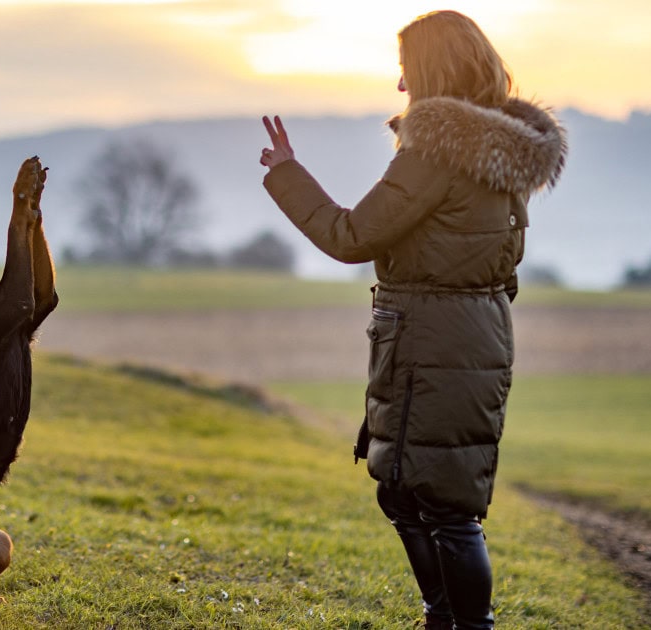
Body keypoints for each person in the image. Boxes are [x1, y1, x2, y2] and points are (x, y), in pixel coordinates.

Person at [258, 10, 566, 630]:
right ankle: (444, 617)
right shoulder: (499, 149)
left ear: (430, 70)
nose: (400, 87)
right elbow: (503, 261)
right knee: (403, 490)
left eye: (405, 71)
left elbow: (350, 236)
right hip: (468, 333)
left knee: (446, 506)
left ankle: (459, 624)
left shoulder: (436, 151)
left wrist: (287, 174)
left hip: (431, 342)